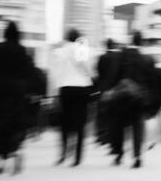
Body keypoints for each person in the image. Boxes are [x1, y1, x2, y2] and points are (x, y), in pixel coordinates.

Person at [0, 20, 38, 175]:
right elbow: (30, 72)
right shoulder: (23, 51)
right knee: (15, 125)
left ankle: (1, 163)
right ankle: (15, 152)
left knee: (0, 125)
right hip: (17, 93)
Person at [97, 31, 155, 167]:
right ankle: (137, 156)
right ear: (142, 42)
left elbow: (113, 75)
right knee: (137, 126)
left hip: (121, 97)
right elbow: (151, 82)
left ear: (131, 40)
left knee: (118, 125)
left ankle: (118, 154)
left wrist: (107, 91)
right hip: (139, 98)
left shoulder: (121, 56)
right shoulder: (146, 59)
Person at [50, 28, 94, 166]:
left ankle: (63, 154)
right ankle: (77, 157)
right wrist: (91, 82)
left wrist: (54, 93)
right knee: (80, 123)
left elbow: (55, 73)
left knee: (65, 122)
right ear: (77, 38)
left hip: (65, 88)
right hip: (81, 88)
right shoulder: (81, 49)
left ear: (67, 38)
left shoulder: (60, 52)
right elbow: (87, 68)